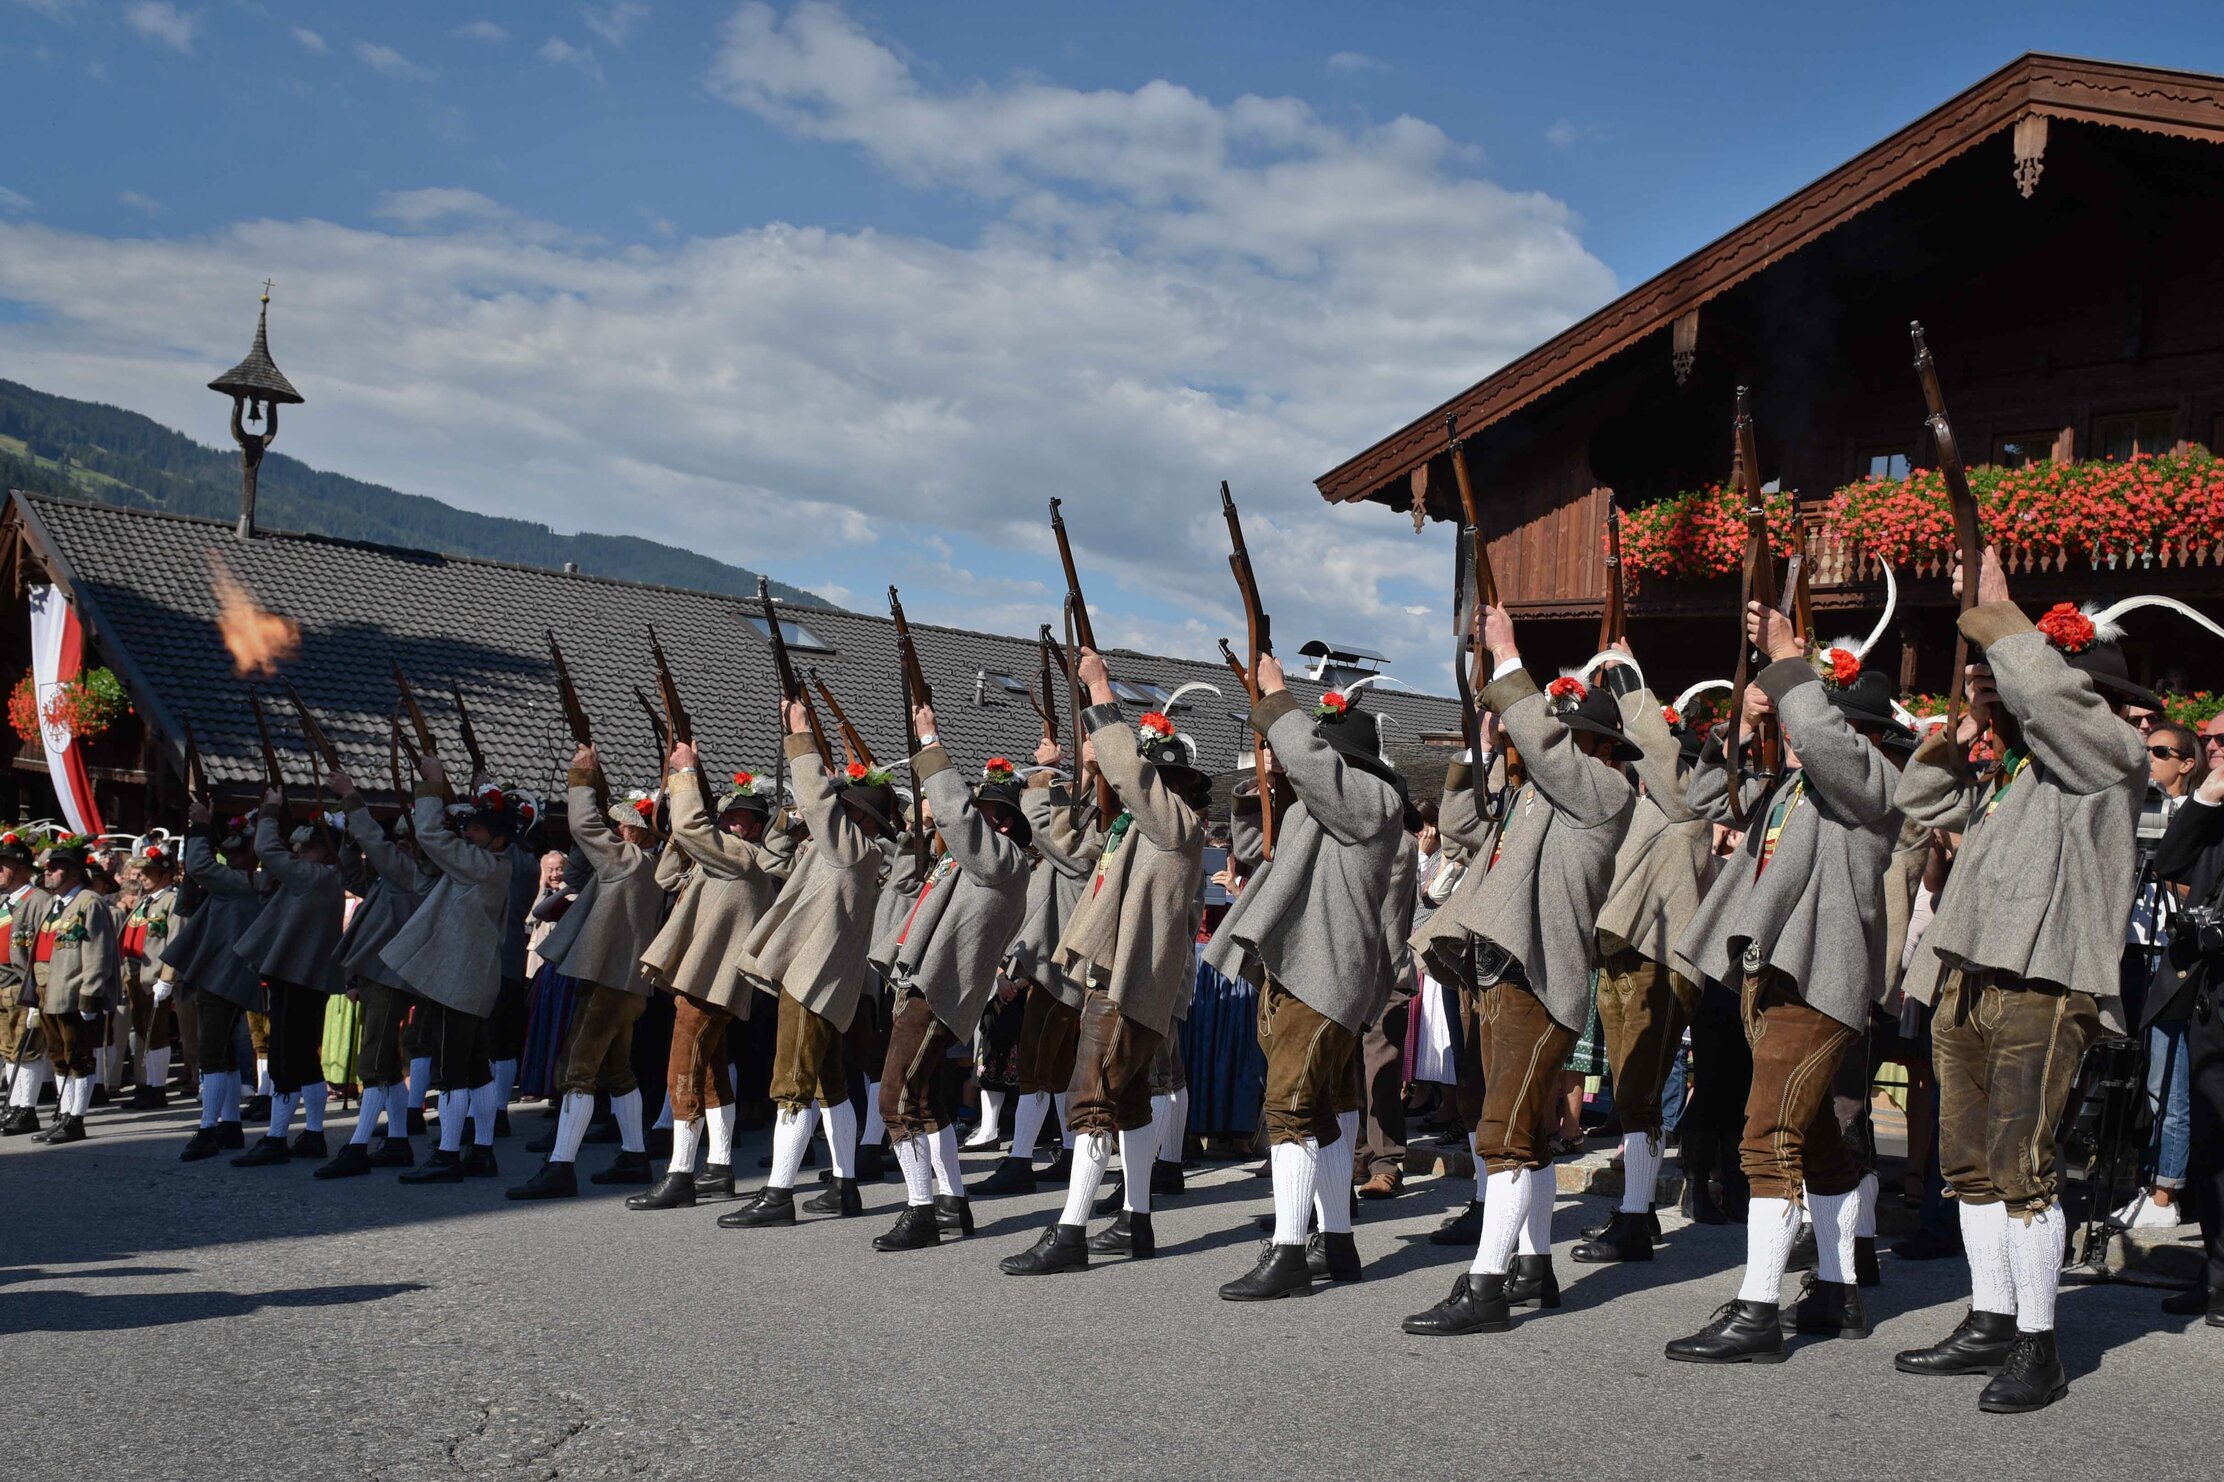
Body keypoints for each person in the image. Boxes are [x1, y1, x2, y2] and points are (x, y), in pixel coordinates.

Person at [1892, 553, 2149, 1414]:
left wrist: (2004, 623)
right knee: (1969, 1166)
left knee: (2022, 1166)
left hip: (2045, 984)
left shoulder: (2111, 754)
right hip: (1969, 977)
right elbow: (1924, 802)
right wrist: (1968, 724)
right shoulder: (2018, 768)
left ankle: (2039, 1344)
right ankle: (1991, 1318)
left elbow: (2055, 704)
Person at [1664, 621, 1910, 1364]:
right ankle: (1837, 1292)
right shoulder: (1798, 786)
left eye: (1818, 720)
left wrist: (1784, 662)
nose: (1801, 732)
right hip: (1777, 972)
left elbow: (1825, 740)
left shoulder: (1871, 781)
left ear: (1857, 732)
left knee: (1767, 1137)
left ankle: (1758, 1309)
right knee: (1820, 1141)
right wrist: (1742, 726)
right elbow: (1703, 796)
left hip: (1819, 978)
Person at [1405, 605, 1639, 1335]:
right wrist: (1474, 751)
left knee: (1502, 1133)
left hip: (1538, 980)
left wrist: (1508, 657)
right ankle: (1535, 1267)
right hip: (1504, 973)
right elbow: (1464, 826)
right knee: (1524, 1135)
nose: (1550, 743)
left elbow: (1545, 745)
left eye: (1567, 732)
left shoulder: (1604, 790)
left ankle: (1487, 1285)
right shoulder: (1541, 797)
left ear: (1593, 743)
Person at [1207, 659, 1410, 1297]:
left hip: (1326, 972)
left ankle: (1291, 1250)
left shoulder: (1374, 800)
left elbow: (1315, 766)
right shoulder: (1319, 808)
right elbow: (1252, 851)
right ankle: (1337, 1242)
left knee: (1289, 1109)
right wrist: (1260, 781)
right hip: (1301, 968)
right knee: (1318, 1112)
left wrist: (1277, 700)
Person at [1001, 649, 1207, 1276]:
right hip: (1117, 979)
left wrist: (1099, 693)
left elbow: (1131, 777)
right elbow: (1070, 834)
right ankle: (1136, 1219)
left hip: (1127, 985)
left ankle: (1071, 1230)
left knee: (1089, 1100)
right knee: (1131, 1103)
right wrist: (1076, 773)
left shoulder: (1174, 823)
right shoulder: (1140, 830)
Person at [723, 703, 896, 1228]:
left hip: (812, 977)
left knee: (792, 1085)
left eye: (848, 805)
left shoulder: (850, 846)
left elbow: (816, 799)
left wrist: (800, 735)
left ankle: (778, 1195)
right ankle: (845, 1187)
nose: (837, 809)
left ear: (860, 818)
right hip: (825, 979)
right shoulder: (853, 848)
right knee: (830, 1084)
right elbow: (780, 851)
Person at [871, 727, 1034, 1251]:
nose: (972, 816)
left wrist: (930, 745)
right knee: (923, 1099)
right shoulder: (967, 860)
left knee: (896, 1099)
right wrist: (915, 829)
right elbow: (906, 890)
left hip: (940, 992)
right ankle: (951, 1201)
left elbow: (958, 819)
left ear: (1002, 823)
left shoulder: (1004, 860)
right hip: (922, 983)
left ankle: (920, 1210)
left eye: (984, 810)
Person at [1575, 648, 1712, 1264]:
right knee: (1629, 1090)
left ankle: (1635, 1217)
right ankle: (1639, 1211)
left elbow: (1658, 754)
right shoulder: (1636, 804)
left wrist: (1630, 680)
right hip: (1623, 952)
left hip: (1661, 958)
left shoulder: (1687, 802)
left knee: (1638, 1092)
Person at [626, 751, 791, 1211]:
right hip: (705, 978)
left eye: (742, 819)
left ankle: (680, 1170)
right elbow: (667, 875)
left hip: (710, 980)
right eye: (729, 816)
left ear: (757, 829)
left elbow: (690, 827)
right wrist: (686, 839)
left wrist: (684, 775)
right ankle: (718, 1166)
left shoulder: (740, 856)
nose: (733, 823)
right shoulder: (725, 854)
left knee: (684, 1069)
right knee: (713, 1071)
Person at [509, 749, 666, 1197]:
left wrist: (580, 777)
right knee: (619, 1071)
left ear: (642, 831)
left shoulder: (628, 860)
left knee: (576, 1069)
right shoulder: (650, 864)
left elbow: (582, 826)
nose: (620, 829)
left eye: (627, 824)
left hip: (608, 982)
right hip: (628, 984)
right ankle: (634, 1156)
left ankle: (560, 1166)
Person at [383, 756, 526, 1183]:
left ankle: (447, 1154)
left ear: (498, 839)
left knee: (451, 1072)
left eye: (477, 829)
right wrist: (471, 793)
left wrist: (431, 785)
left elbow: (429, 834)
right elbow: (438, 849)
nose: (468, 832)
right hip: (470, 979)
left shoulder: (481, 864)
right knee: (477, 1070)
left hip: (456, 981)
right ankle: (481, 1150)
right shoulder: (489, 862)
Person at [979, 739, 1104, 1196]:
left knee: (1034, 1065)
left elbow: (1040, 825)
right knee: (1055, 1069)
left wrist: (1043, 776)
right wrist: (1076, 776)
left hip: (1064, 970)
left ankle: (1019, 1162)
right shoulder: (1079, 836)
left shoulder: (1087, 844)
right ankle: (1068, 1155)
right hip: (1051, 964)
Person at [313, 773, 434, 1177]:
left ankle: (358, 1145)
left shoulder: (414, 876)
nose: (401, 844)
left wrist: (351, 799)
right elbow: (353, 877)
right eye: (399, 839)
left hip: (391, 974)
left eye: (408, 840)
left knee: (375, 1062)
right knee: (384, 1062)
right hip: (378, 972)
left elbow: (376, 846)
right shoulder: (397, 876)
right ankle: (397, 1141)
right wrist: (349, 841)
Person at [2114, 720, 2203, 1229]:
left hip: (2168, 955)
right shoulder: (2133, 806)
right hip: (2124, 948)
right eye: (2146, 749)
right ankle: (2136, 1178)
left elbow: (2202, 891)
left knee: (2164, 1076)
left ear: (2187, 764)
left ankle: (2165, 1192)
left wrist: (2167, 864)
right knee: (2119, 1073)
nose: (2149, 758)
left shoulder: (2199, 818)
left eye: (2161, 752)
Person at [227, 795, 346, 1166]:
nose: (298, 850)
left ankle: (277, 1138)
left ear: (324, 850)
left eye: (307, 846)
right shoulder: (322, 876)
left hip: (296, 976)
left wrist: (270, 809)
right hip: (302, 976)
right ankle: (313, 1135)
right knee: (303, 1060)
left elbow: (265, 849)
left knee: (284, 1061)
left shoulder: (313, 876)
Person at [2157, 716, 2224, 1323]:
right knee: (2210, 1140)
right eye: (2212, 741)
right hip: (2213, 997)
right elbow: (2170, 860)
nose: (2214, 747)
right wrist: (2204, 798)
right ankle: (2217, 1278)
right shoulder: (2211, 808)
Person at [170, 808, 267, 1160]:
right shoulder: (239, 882)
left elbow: (199, 866)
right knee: (223, 1053)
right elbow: (187, 903)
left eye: (238, 852)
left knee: (211, 1053)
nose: (231, 858)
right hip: (221, 972)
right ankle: (229, 1125)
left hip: (223, 974)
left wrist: (198, 826)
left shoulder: (245, 882)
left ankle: (207, 1128)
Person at [21, 834, 119, 1144]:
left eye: (56, 867)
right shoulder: (55, 903)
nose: (48, 872)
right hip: (48, 990)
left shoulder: (89, 901)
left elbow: (98, 952)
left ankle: (76, 1118)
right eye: (48, 867)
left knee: (78, 1056)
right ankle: (64, 1114)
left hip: (73, 992)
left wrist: (91, 995)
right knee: (58, 1055)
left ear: (75, 871)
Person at [120, 840, 182, 1110]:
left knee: (156, 1033)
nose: (142, 876)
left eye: (149, 872)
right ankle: (146, 1085)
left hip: (154, 978)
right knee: (143, 1032)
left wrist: (167, 978)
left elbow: (175, 942)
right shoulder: (144, 900)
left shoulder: (171, 901)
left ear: (165, 875)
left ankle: (157, 1088)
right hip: (134, 976)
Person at [0, 830, 54, 1136]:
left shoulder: (39, 900)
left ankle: (26, 1108)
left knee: (27, 1048)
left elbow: (43, 949)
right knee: (8, 1048)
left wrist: (37, 994)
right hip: (1, 984)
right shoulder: (3, 900)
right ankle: (13, 1104)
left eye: (3, 865)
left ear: (21, 868)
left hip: (22, 984)